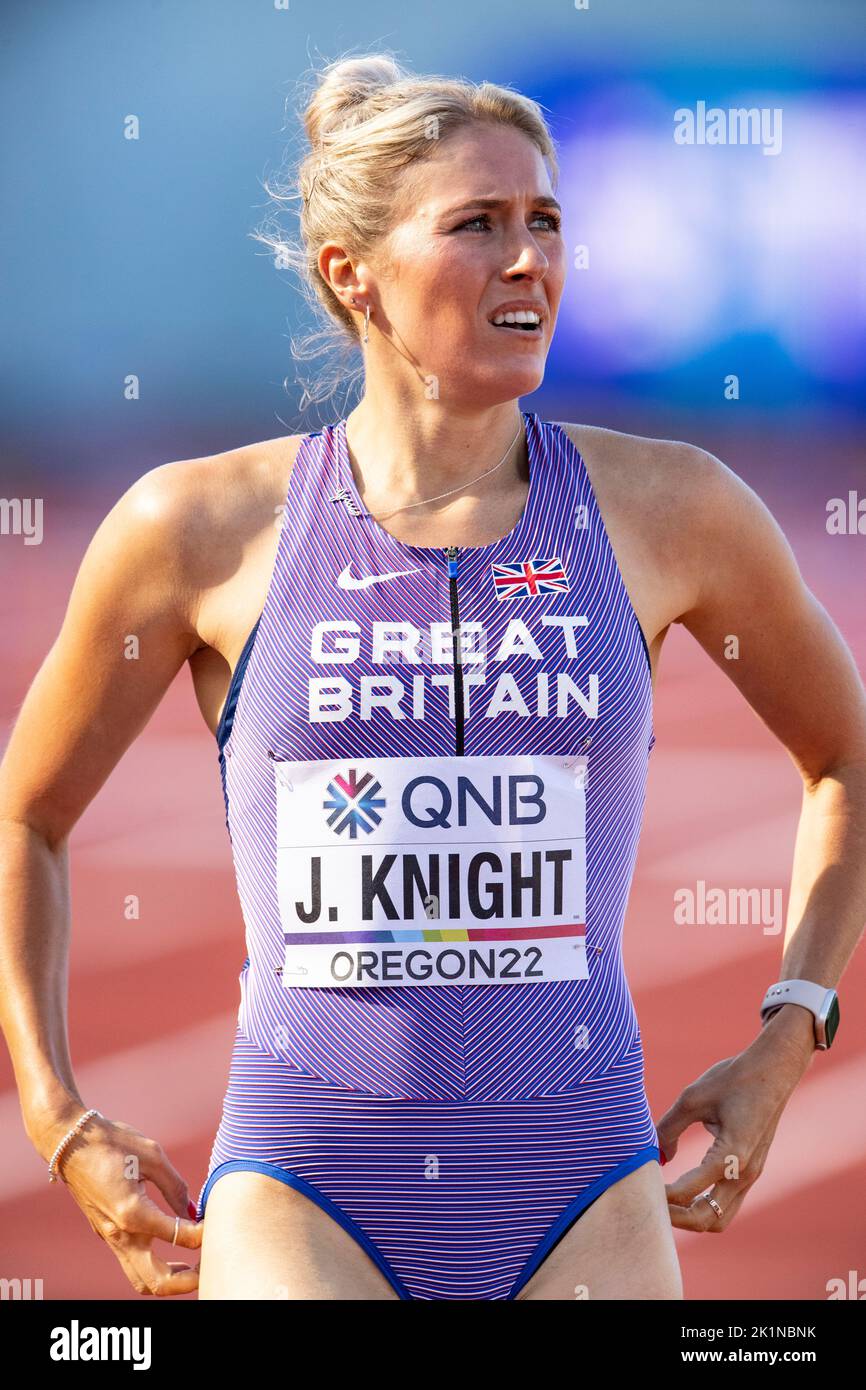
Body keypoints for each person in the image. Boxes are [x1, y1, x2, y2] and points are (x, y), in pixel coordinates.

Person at [1, 51, 864, 1302]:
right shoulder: (195, 528)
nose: (531, 262)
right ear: (352, 275)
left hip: (582, 1186)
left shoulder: (671, 510)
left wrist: (788, 1034)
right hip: (307, 1185)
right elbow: (28, 815)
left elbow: (842, 758)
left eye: (546, 223)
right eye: (478, 225)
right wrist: (59, 1117)